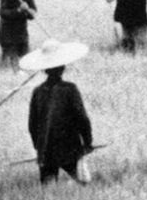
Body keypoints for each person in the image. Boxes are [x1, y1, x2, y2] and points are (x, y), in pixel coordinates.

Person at [22, 40, 94, 182]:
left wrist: (39, 147)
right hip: (69, 146)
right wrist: (87, 142)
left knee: (48, 187)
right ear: (63, 67)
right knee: (83, 182)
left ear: (44, 69)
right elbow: (82, 118)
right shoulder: (70, 89)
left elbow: (32, 124)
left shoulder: (38, 92)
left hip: (45, 149)